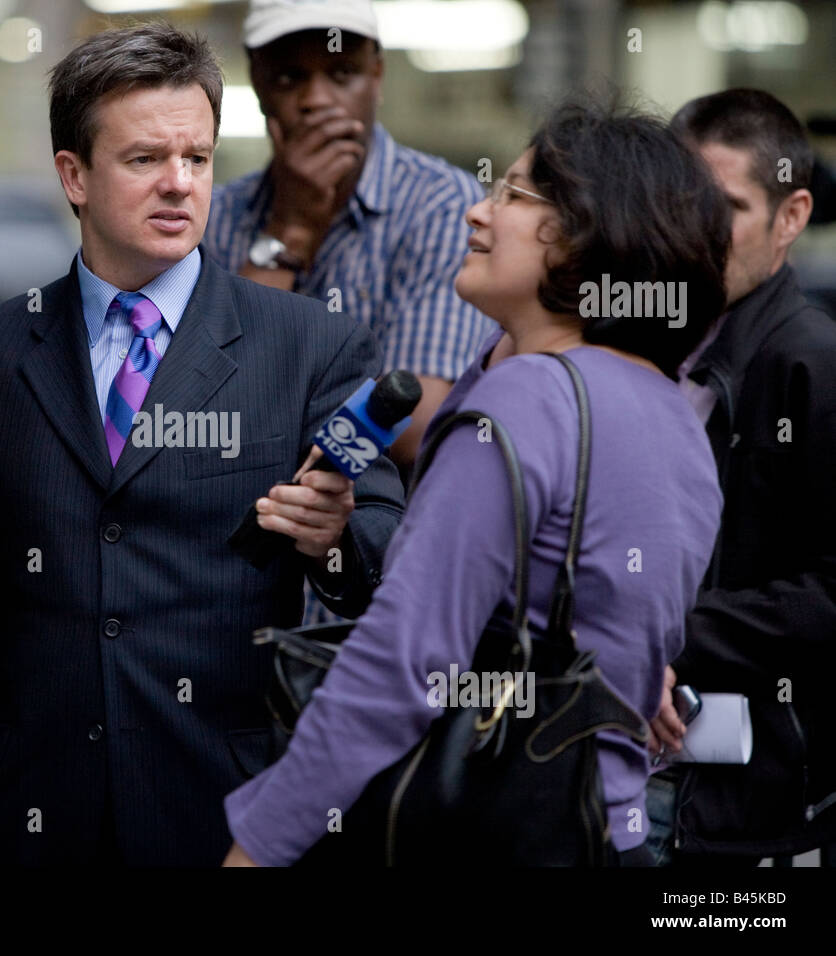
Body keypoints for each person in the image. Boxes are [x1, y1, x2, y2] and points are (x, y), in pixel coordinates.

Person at [0, 23, 405, 867]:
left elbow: (386, 562)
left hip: (226, 826)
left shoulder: (306, 346)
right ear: (73, 175)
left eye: (196, 159)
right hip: (28, 826)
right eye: (144, 160)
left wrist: (335, 534)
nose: (179, 184)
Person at [221, 101, 728, 866]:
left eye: (512, 196)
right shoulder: (672, 414)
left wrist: (258, 844)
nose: (476, 212)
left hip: (492, 831)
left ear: (587, 234)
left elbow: (402, 664)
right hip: (612, 832)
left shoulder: (528, 402)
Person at [645, 89, 836, 865]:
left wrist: (664, 640)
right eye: (676, 204)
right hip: (637, 778)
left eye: (723, 207)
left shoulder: (812, 366)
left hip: (751, 804)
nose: (693, 233)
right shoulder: (642, 344)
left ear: (791, 217)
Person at [204, 0, 496, 471]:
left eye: (342, 74)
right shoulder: (215, 214)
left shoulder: (440, 203)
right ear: (257, 83)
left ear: (377, 77)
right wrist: (291, 231)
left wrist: (266, 421)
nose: (317, 99)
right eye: (288, 78)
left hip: (374, 524)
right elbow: (206, 404)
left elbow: (414, 427)